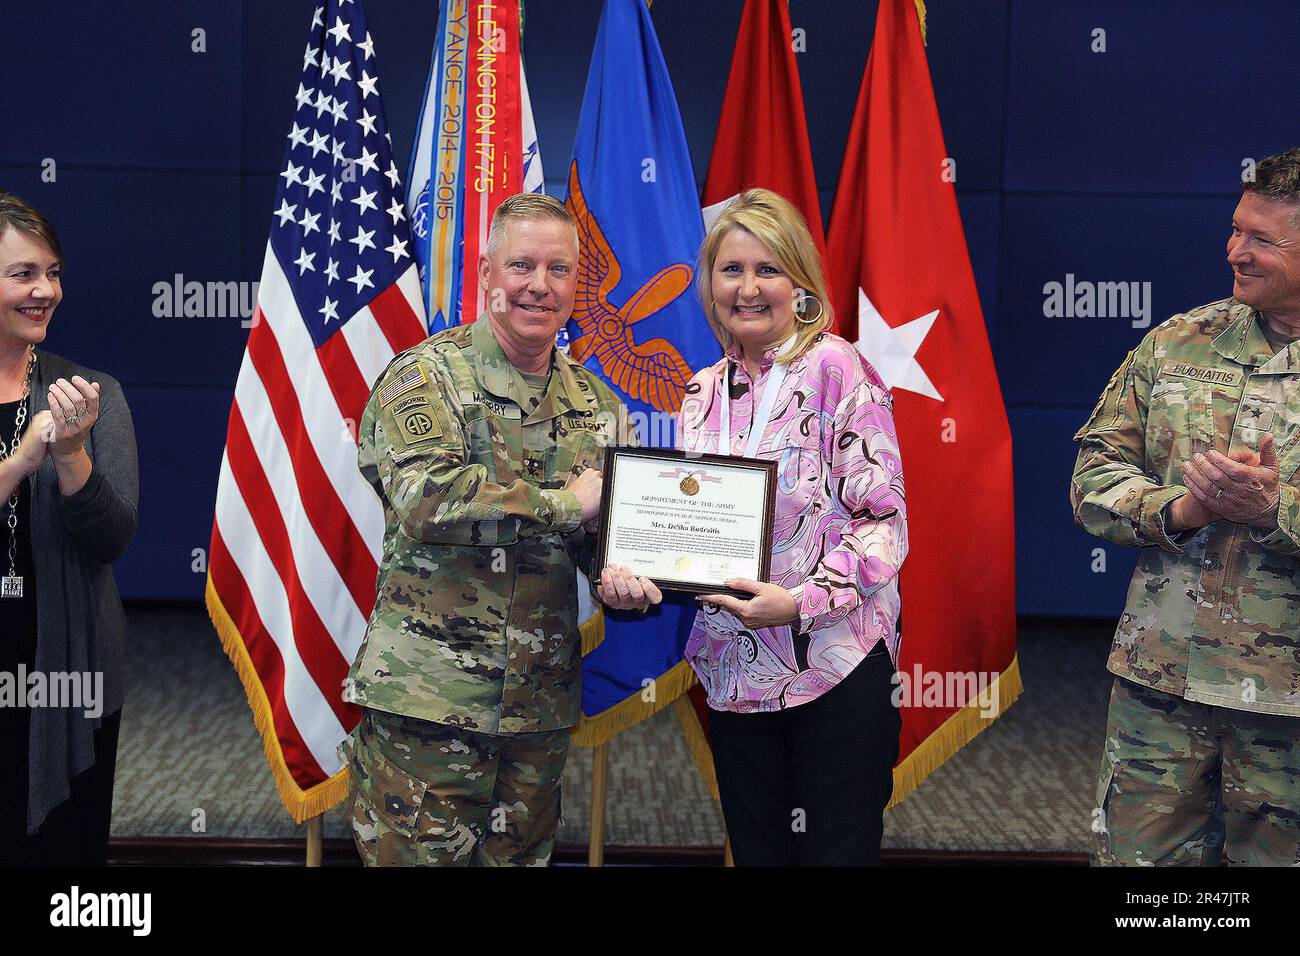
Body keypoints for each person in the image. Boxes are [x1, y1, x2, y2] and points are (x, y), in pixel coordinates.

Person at [602, 188, 908, 865]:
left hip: (834, 663)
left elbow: (885, 523)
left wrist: (800, 603)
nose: (747, 288)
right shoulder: (700, 391)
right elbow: (688, 533)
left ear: (799, 282)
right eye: (730, 269)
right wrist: (639, 582)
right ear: (708, 284)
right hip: (735, 672)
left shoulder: (839, 369)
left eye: (767, 269)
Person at [343, 193, 629, 866]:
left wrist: (625, 575)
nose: (539, 285)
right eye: (521, 264)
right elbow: (428, 500)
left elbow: (604, 537)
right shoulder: (425, 375)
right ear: (487, 273)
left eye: (558, 270)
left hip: (539, 709)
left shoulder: (598, 404)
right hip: (430, 702)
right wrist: (564, 505)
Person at [1072, 147, 1300, 866]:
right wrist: (1180, 510)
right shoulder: (1177, 343)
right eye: (1237, 229)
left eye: (1264, 239)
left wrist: (1275, 512)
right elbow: (1092, 477)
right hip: (1163, 688)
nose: (1237, 250)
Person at [0, 192, 138, 866]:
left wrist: (72, 456)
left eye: (52, 273)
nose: (44, 291)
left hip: (68, 671)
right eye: (23, 273)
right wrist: (25, 458)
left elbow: (113, 539)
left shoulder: (92, 394)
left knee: (61, 857)